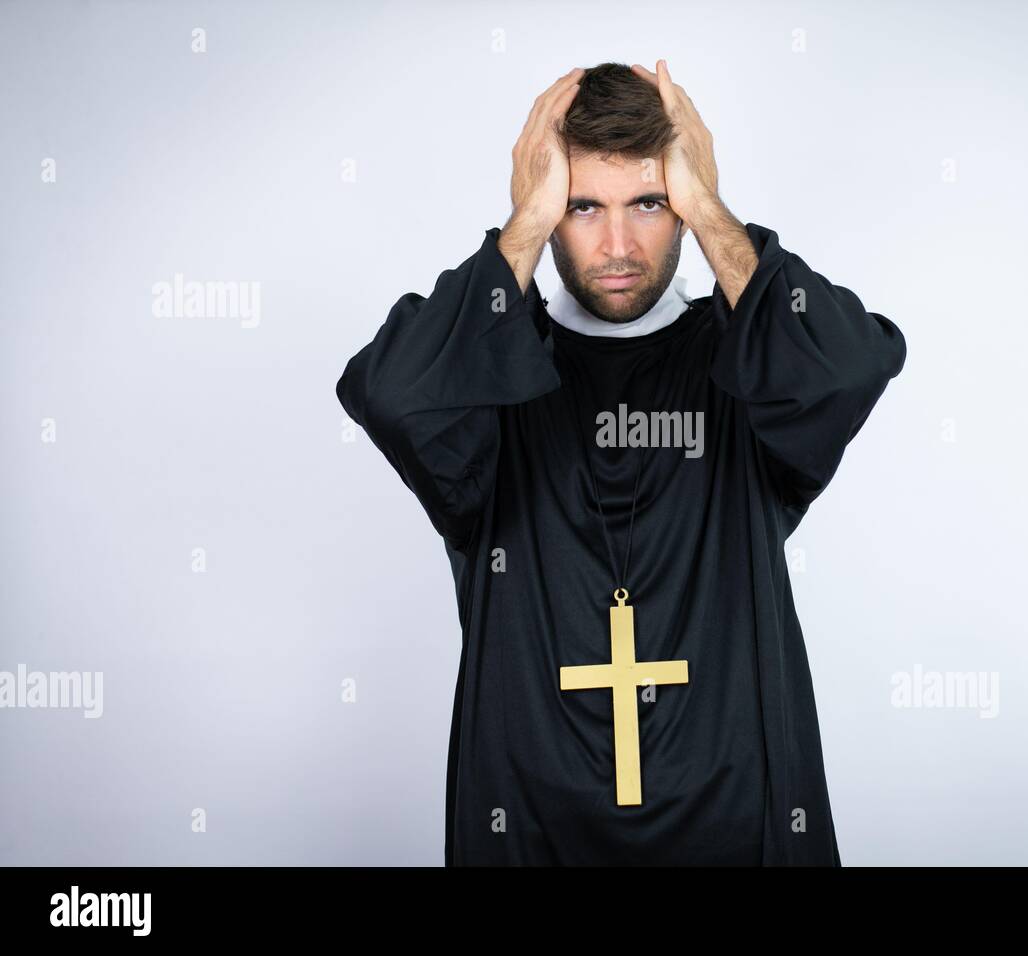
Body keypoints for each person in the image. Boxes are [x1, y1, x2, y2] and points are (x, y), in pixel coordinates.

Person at [336, 60, 906, 865]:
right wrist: (521, 222)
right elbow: (392, 392)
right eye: (580, 208)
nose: (616, 244)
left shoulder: (746, 363)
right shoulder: (492, 376)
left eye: (648, 202)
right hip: (530, 834)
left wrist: (710, 207)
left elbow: (850, 367)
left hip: (740, 829)